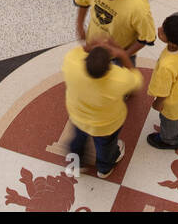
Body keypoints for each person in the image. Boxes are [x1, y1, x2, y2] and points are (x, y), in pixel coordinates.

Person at [61, 43, 142, 178]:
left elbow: (79, 50)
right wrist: (122, 54)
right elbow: (137, 80)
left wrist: (94, 43)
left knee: (77, 140)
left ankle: (75, 164)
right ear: (109, 67)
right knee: (106, 147)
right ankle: (104, 169)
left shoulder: (72, 64)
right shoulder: (118, 79)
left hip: (78, 117)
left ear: (85, 60)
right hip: (106, 125)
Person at [74, 0, 157, 66]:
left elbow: (146, 38)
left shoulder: (139, 8)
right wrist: (80, 26)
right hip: (93, 48)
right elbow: (83, 2)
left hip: (117, 58)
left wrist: (123, 55)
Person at [145, 14, 178, 151]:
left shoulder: (166, 65)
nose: (159, 28)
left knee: (170, 123)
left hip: (173, 102)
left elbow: (163, 90)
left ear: (172, 43)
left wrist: (158, 102)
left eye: (163, 31)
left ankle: (170, 141)